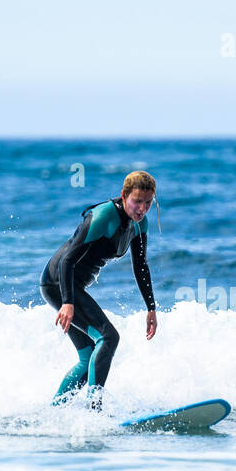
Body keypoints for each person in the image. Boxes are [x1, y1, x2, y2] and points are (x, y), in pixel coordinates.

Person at [39, 170, 158, 407]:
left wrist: (151, 308)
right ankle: (95, 410)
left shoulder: (139, 224)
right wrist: (67, 302)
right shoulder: (103, 216)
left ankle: (54, 411)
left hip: (72, 288)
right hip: (58, 283)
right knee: (108, 337)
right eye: (137, 201)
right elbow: (67, 260)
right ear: (124, 196)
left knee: (88, 356)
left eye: (148, 202)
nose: (142, 208)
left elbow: (141, 267)